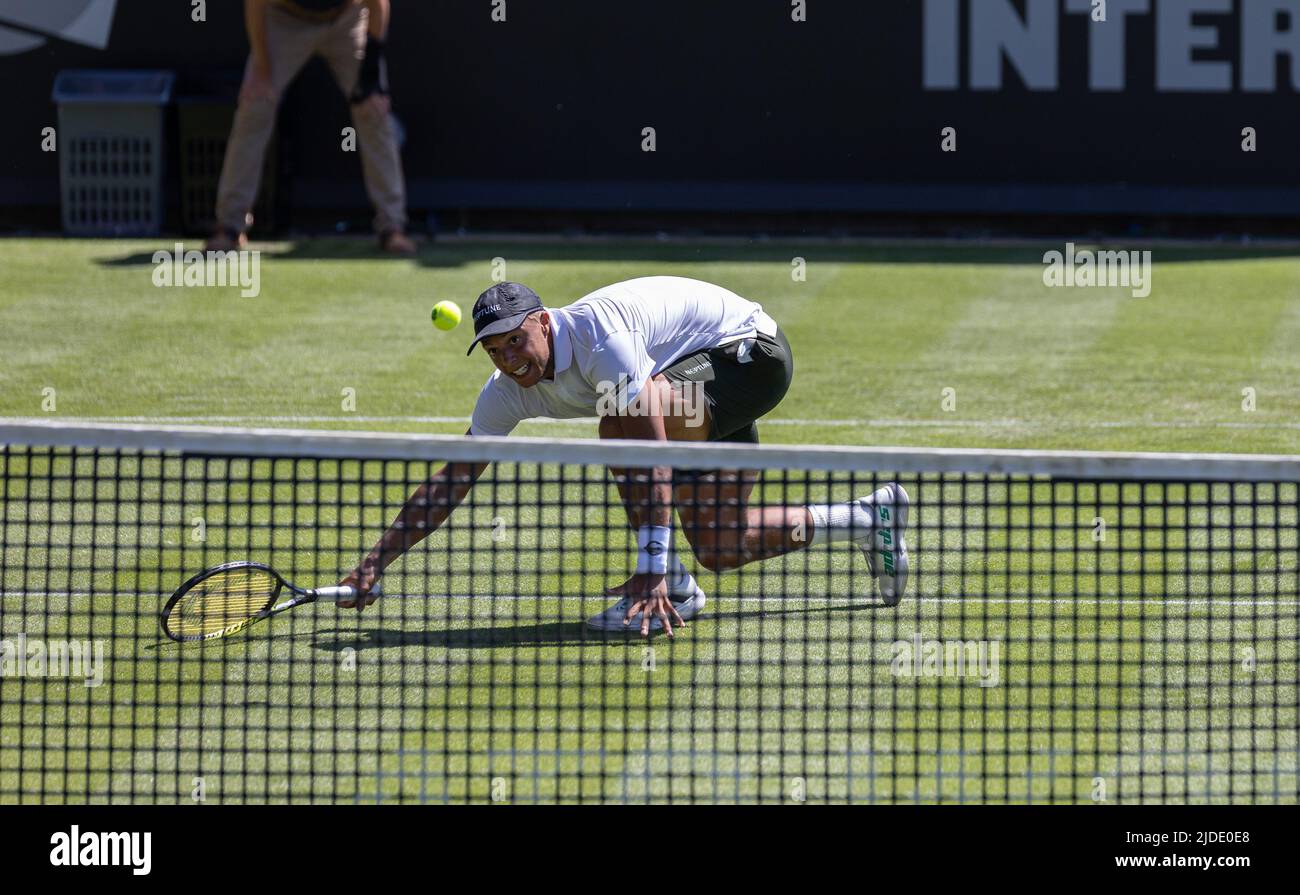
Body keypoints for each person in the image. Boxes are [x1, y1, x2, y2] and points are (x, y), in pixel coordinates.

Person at [340, 277, 910, 636]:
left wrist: (651, 564)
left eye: (516, 340)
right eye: (494, 350)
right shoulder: (506, 391)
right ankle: (868, 520)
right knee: (722, 544)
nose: (510, 359)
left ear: (543, 322)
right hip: (696, 381)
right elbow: (453, 479)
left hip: (749, 358)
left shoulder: (599, 340)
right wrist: (376, 561)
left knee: (619, 423)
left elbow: (646, 449)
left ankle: (664, 579)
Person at [207, 0, 415, 254]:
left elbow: (379, 3)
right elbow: (255, 3)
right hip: (284, 20)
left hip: (348, 18)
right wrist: (262, 65)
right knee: (255, 106)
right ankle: (230, 226)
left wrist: (370, 71)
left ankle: (392, 226)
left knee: (373, 111)